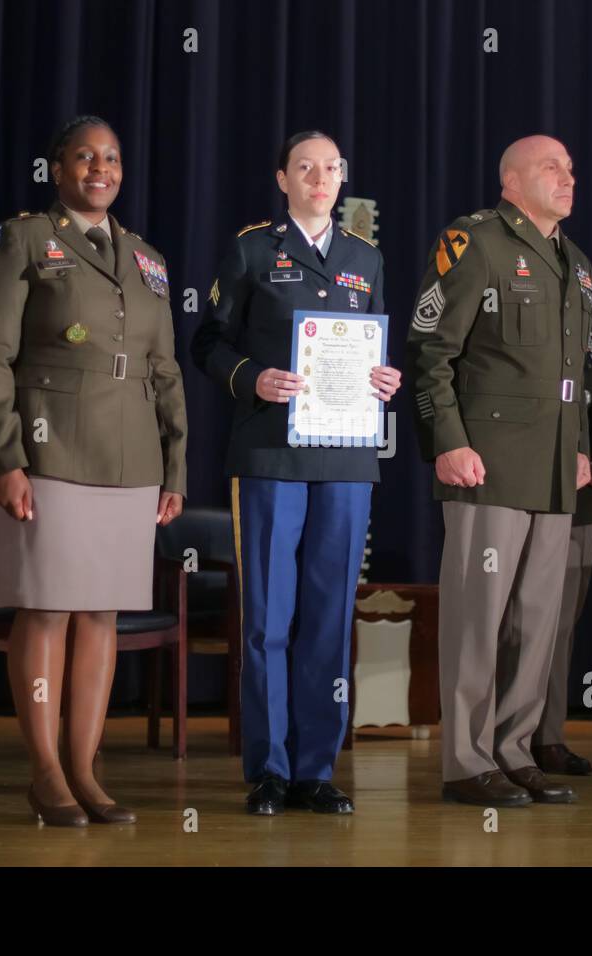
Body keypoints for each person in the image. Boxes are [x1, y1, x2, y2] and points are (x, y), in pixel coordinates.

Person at [0, 115, 187, 827]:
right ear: (56, 168)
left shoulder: (147, 258)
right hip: (49, 449)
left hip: (130, 460)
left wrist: (175, 467)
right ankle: (46, 773)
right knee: (48, 608)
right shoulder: (25, 238)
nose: (102, 168)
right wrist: (2, 456)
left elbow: (166, 371)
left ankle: (86, 769)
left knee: (101, 614)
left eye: (113, 157)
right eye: (86, 156)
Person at [190, 130, 401, 815]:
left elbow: (371, 344)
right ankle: (270, 768)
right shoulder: (254, 248)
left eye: (330, 167)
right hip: (270, 454)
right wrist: (253, 378)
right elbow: (208, 341)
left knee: (330, 617)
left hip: (346, 457)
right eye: (304, 167)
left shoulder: (364, 256)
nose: (319, 177)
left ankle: (317, 767)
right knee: (268, 619)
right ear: (283, 179)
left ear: (344, 178)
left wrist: (383, 377)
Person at [406, 134, 592, 807]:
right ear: (511, 180)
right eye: (552, 167)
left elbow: (572, 375)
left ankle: (515, 750)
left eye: (570, 169)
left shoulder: (575, 263)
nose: (568, 177)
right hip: (484, 464)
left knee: (537, 622)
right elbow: (430, 351)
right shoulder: (475, 242)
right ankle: (466, 762)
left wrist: (577, 446)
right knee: (476, 619)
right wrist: (447, 441)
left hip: (551, 472)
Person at [533, 325, 592, 776]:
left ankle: (547, 738)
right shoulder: (520, 318)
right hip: (522, 490)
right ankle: (494, 739)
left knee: (559, 627)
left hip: (581, 503)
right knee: (508, 623)